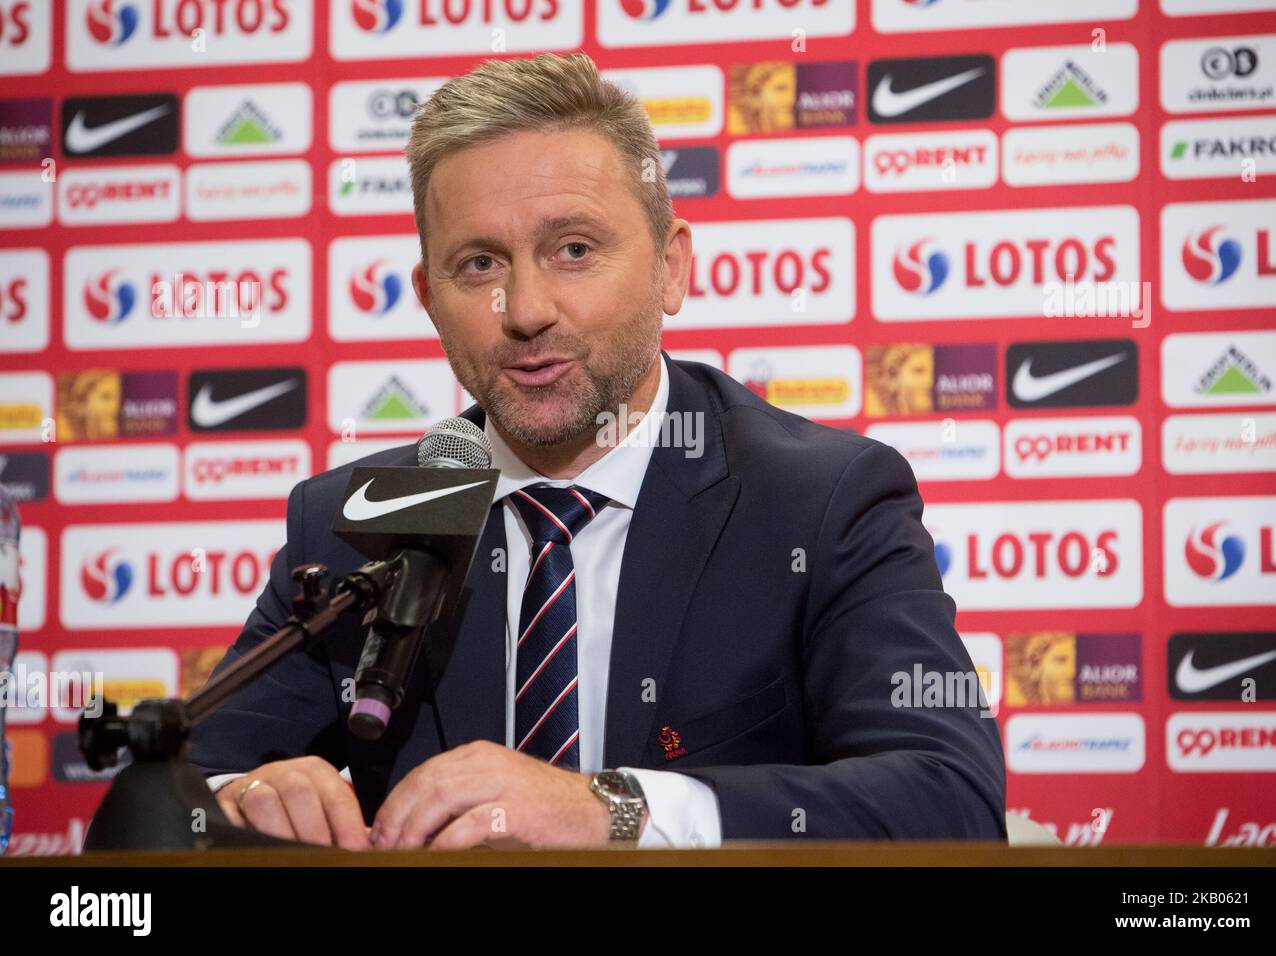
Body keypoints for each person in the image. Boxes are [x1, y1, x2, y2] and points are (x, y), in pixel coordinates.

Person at [187, 51, 1006, 850]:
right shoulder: (354, 521)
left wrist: (614, 812)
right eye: (480, 265)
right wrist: (242, 794)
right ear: (431, 300)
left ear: (671, 268)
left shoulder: (819, 501)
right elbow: (176, 786)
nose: (527, 310)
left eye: (573, 249)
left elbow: (952, 799)